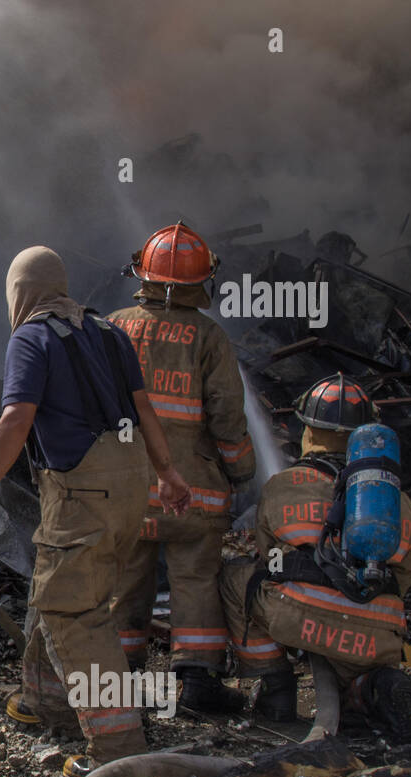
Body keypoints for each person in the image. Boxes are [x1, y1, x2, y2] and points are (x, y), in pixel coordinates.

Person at [0, 246, 190, 774]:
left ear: (18, 293)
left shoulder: (31, 337)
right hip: (130, 483)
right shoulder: (110, 333)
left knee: (75, 611)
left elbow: (17, 417)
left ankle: (118, 748)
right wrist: (169, 473)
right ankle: (46, 700)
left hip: (81, 489)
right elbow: (144, 409)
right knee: (60, 587)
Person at [219, 373, 411, 742]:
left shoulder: (282, 485)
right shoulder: (400, 503)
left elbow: (269, 560)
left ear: (308, 430)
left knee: (235, 578)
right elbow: (405, 576)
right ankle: (370, 688)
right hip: (375, 635)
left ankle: (277, 686)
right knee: (359, 671)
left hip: (297, 619)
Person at [106, 222, 255, 711]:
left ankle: (120, 684)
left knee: (126, 582)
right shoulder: (209, 337)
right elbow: (227, 414)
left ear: (142, 273)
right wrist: (241, 470)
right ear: (202, 282)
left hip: (126, 492)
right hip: (193, 495)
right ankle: (197, 688)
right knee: (196, 582)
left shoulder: (111, 330)